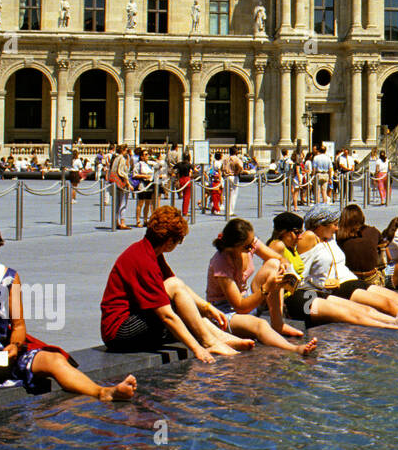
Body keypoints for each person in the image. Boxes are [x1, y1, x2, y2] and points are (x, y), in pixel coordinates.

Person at [0, 218, 137, 419]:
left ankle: (103, 392)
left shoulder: (9, 278)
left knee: (53, 359)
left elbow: (18, 325)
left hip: (3, 354)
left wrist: (15, 345)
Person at [101, 206, 254, 362]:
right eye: (179, 241)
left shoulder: (150, 251)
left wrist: (207, 308)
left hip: (134, 322)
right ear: (169, 242)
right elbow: (167, 315)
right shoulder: (142, 259)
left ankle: (219, 337)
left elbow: (182, 289)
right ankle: (209, 341)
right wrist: (197, 348)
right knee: (175, 292)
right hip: (119, 332)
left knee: (182, 299)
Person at [294, 205, 398, 325]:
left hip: (350, 279)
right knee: (386, 305)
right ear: (320, 225)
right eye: (334, 224)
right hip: (338, 286)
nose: (337, 228)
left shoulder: (330, 238)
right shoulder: (309, 237)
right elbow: (301, 272)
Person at [206, 218, 318, 355]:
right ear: (234, 247)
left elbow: (277, 257)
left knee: (273, 264)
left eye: (253, 242)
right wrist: (266, 288)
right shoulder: (221, 262)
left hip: (247, 298)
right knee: (260, 325)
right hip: (223, 312)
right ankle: (295, 349)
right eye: (247, 247)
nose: (252, 248)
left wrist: (284, 265)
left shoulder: (249, 244)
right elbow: (240, 307)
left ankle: (278, 324)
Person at [337, 203, 391, 288]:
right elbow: (385, 258)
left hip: (349, 278)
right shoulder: (373, 231)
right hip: (372, 279)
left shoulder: (339, 236)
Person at [107, 144, 134, 229]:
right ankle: (122, 222)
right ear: (123, 151)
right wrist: (128, 183)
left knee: (116, 203)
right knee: (123, 203)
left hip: (115, 182)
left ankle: (116, 221)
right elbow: (121, 172)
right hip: (121, 183)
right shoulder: (122, 159)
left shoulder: (116, 158)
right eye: (126, 150)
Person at [222, 146, 244, 216]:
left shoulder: (225, 159)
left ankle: (226, 209)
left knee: (226, 194)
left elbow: (222, 168)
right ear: (236, 152)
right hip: (233, 176)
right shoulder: (237, 159)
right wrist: (237, 172)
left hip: (226, 177)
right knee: (233, 194)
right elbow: (240, 167)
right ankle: (230, 211)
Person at [176, 150, 193, 217]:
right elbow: (196, 170)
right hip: (187, 179)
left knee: (183, 196)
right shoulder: (189, 164)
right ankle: (185, 211)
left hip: (181, 179)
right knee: (187, 197)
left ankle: (183, 210)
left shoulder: (179, 164)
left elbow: (173, 169)